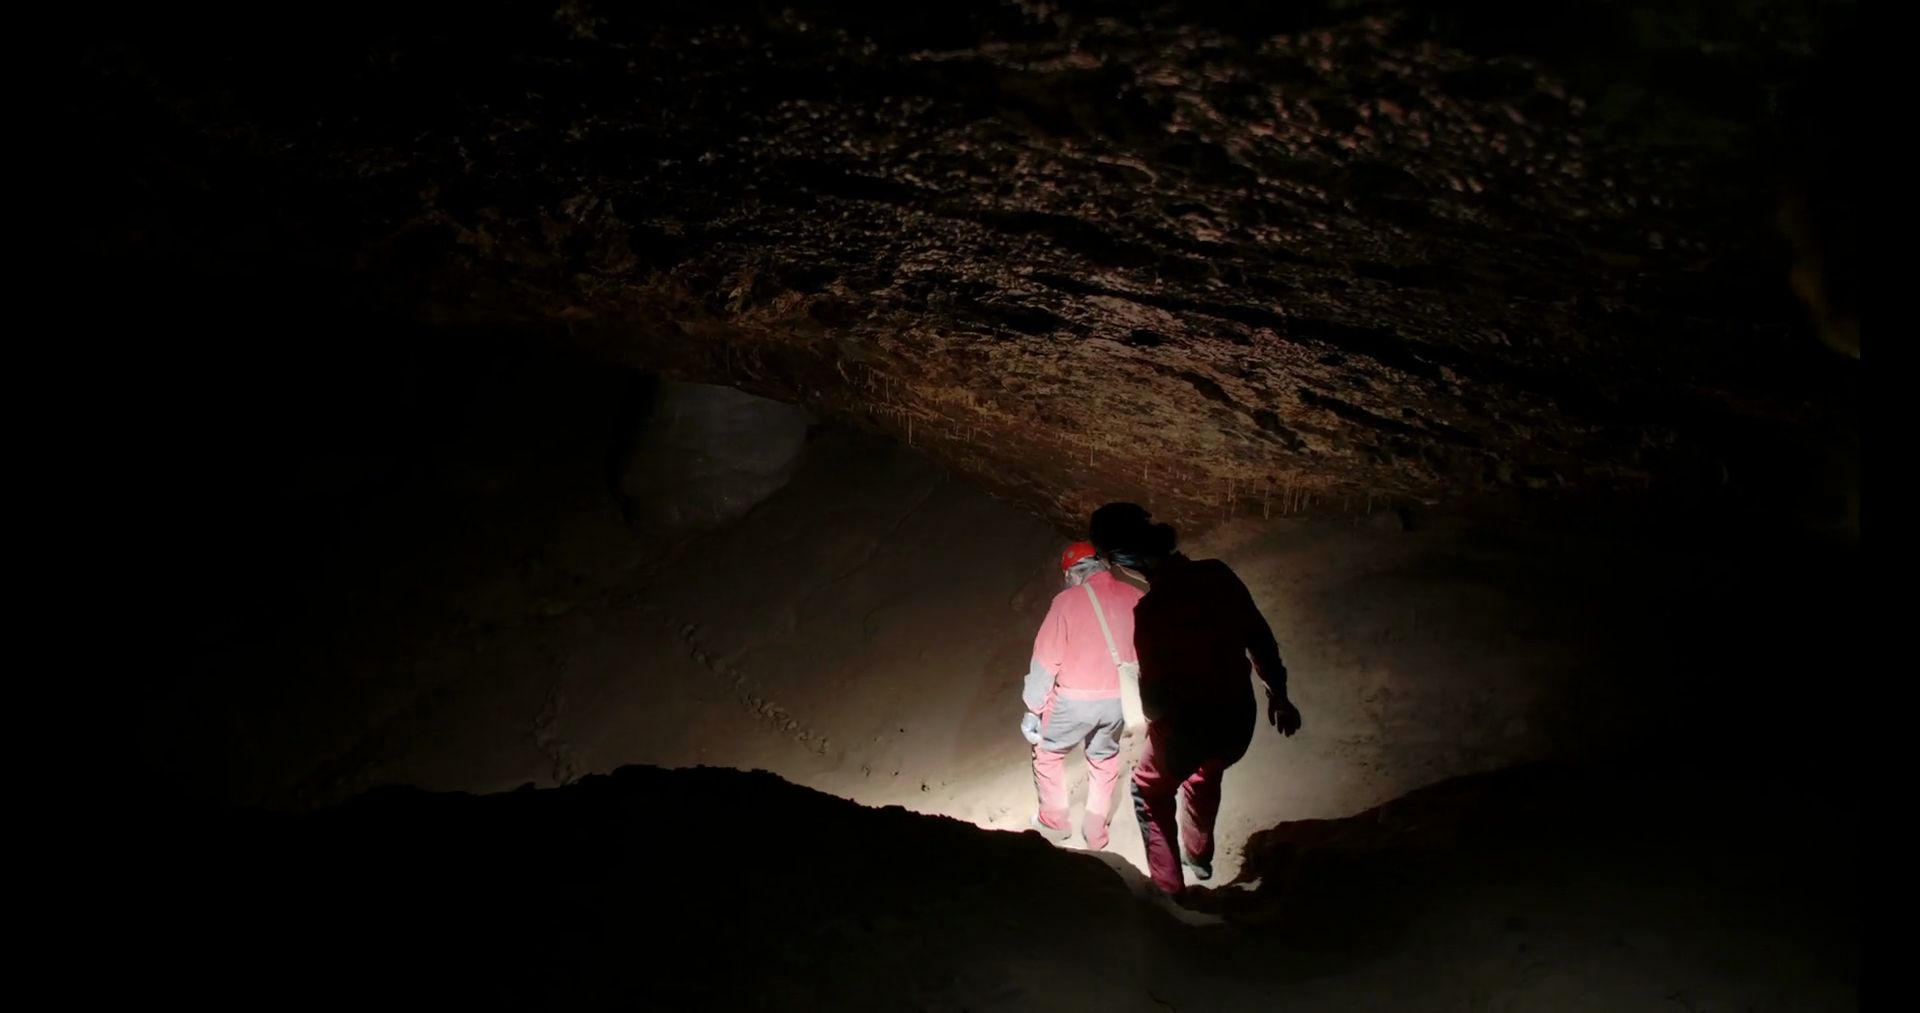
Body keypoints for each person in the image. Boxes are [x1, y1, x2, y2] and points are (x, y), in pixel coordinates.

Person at [1093, 503, 1302, 896]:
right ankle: (1200, 858)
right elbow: (1259, 638)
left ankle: (1171, 892)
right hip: (1239, 719)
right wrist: (1280, 697)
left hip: (1187, 730)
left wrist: (1155, 732)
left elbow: (1154, 701)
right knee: (1206, 775)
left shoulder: (1152, 612)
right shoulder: (1217, 574)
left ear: (1127, 561)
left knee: (1148, 791)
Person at [1020, 541, 1145, 850]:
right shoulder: (1136, 597)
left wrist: (1033, 708)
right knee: (1104, 759)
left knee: (1048, 755)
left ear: (1073, 574)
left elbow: (1046, 661)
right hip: (1121, 699)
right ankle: (1096, 833)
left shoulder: (1067, 602)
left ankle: (1055, 823)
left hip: (1074, 701)